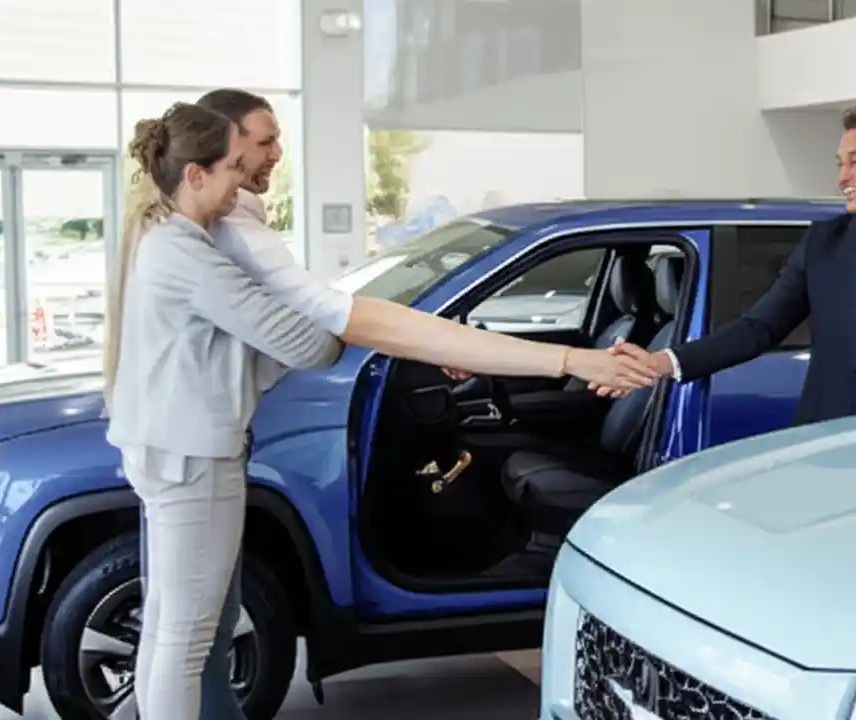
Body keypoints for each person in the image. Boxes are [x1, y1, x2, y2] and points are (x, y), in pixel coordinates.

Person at [106, 101, 653, 720]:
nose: (265, 162)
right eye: (248, 154)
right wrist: (568, 363)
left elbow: (332, 321)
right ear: (197, 172)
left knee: (178, 629)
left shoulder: (179, 232)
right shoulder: (205, 245)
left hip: (178, 447)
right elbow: (322, 334)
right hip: (194, 452)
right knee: (185, 639)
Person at [601, 106, 856, 427]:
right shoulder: (824, 246)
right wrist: (662, 363)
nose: (842, 176)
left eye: (855, 161)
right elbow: (759, 327)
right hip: (840, 449)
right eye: (839, 163)